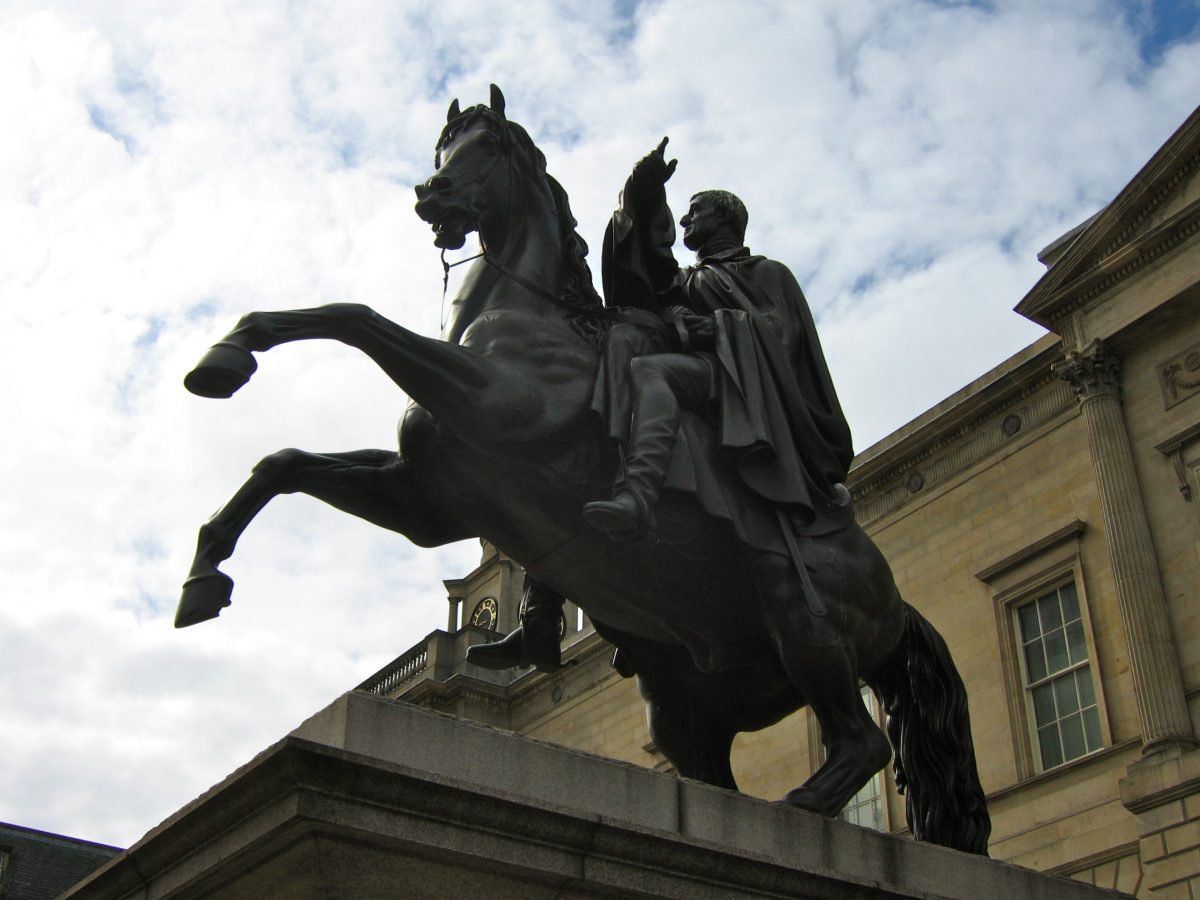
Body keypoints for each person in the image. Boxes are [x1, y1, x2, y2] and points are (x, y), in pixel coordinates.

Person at [469, 138, 854, 671]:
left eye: (696, 212)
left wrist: (710, 327)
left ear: (724, 220)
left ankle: (639, 493)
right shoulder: (692, 280)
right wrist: (642, 190)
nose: (687, 221)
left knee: (652, 370)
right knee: (614, 354)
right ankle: (540, 614)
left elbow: (782, 338)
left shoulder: (766, 273)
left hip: (737, 385)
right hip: (697, 371)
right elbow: (646, 269)